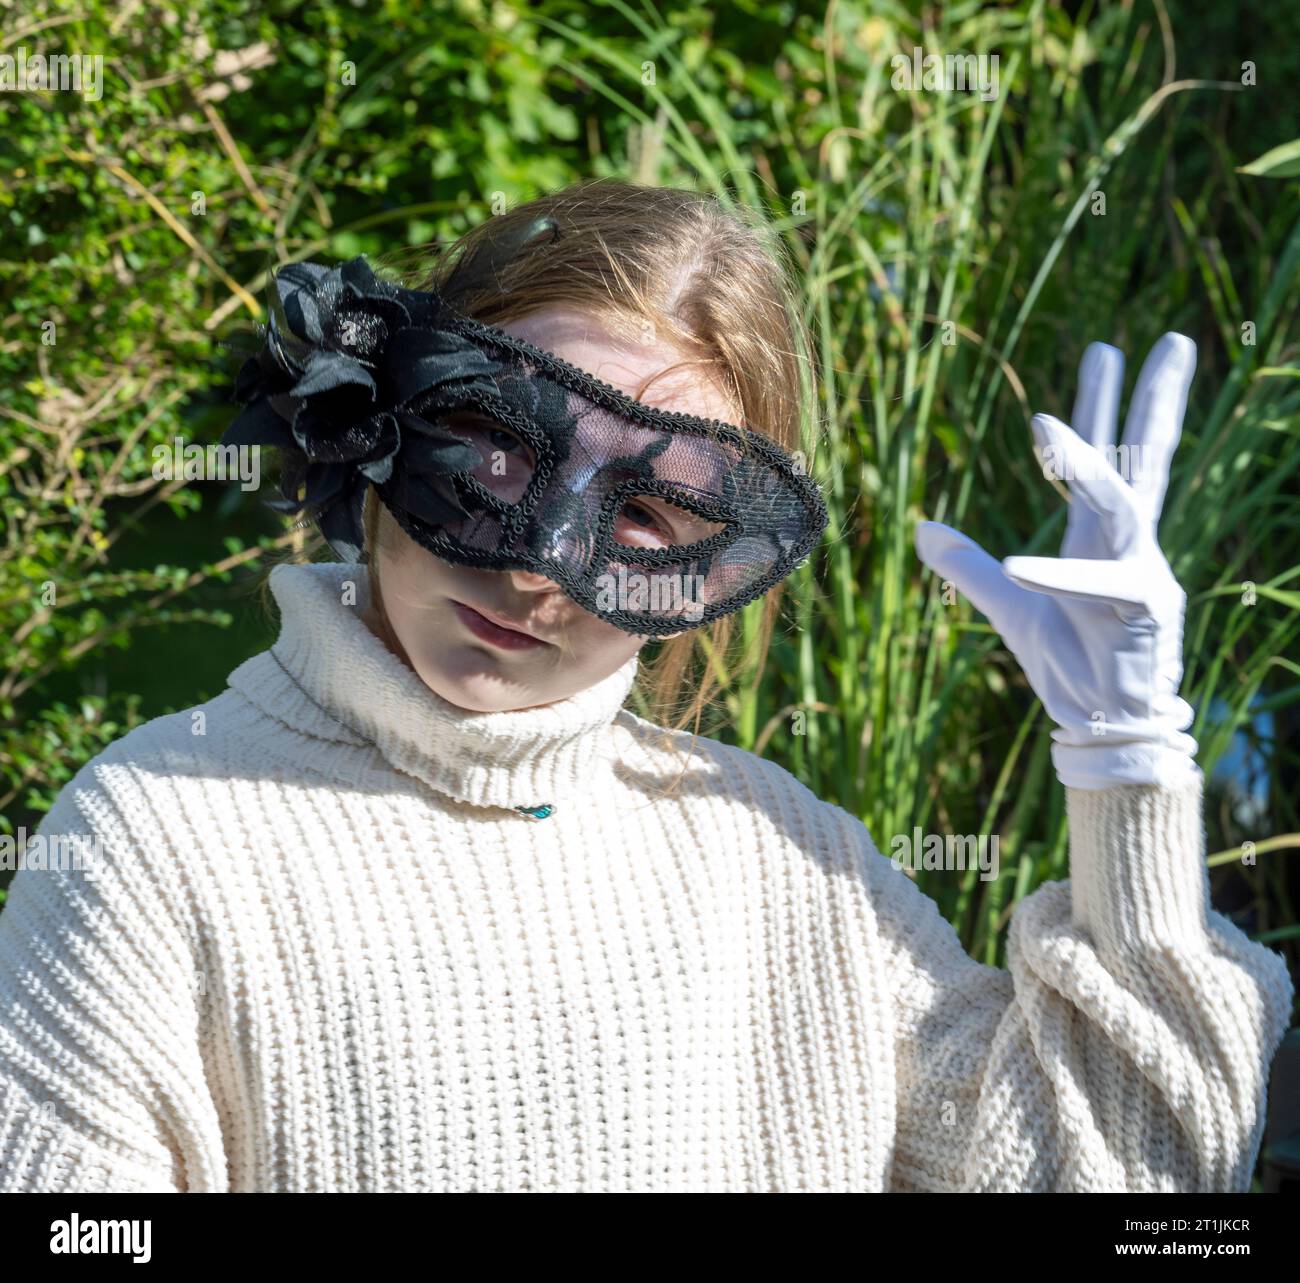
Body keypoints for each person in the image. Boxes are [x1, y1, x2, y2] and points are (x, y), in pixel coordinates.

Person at [0, 179, 1291, 1193]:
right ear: (383, 408)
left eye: (652, 517)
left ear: (718, 568)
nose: (537, 576)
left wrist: (1127, 763)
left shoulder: (785, 867)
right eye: (496, 452)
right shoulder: (156, 840)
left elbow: (1131, 1185)